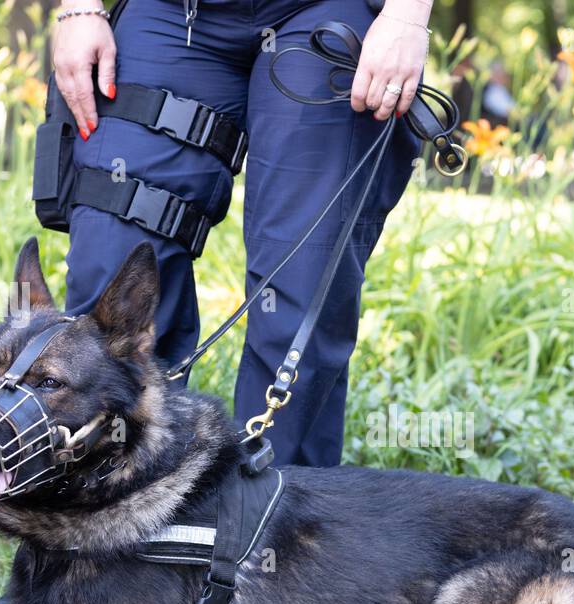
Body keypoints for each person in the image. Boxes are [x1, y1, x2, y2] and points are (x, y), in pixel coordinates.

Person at [50, 0, 433, 465]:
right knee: (113, 266)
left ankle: (276, 518)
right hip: (170, 14)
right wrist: (78, 9)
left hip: (326, 11)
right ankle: (94, 512)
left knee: (302, 291)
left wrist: (406, 17)